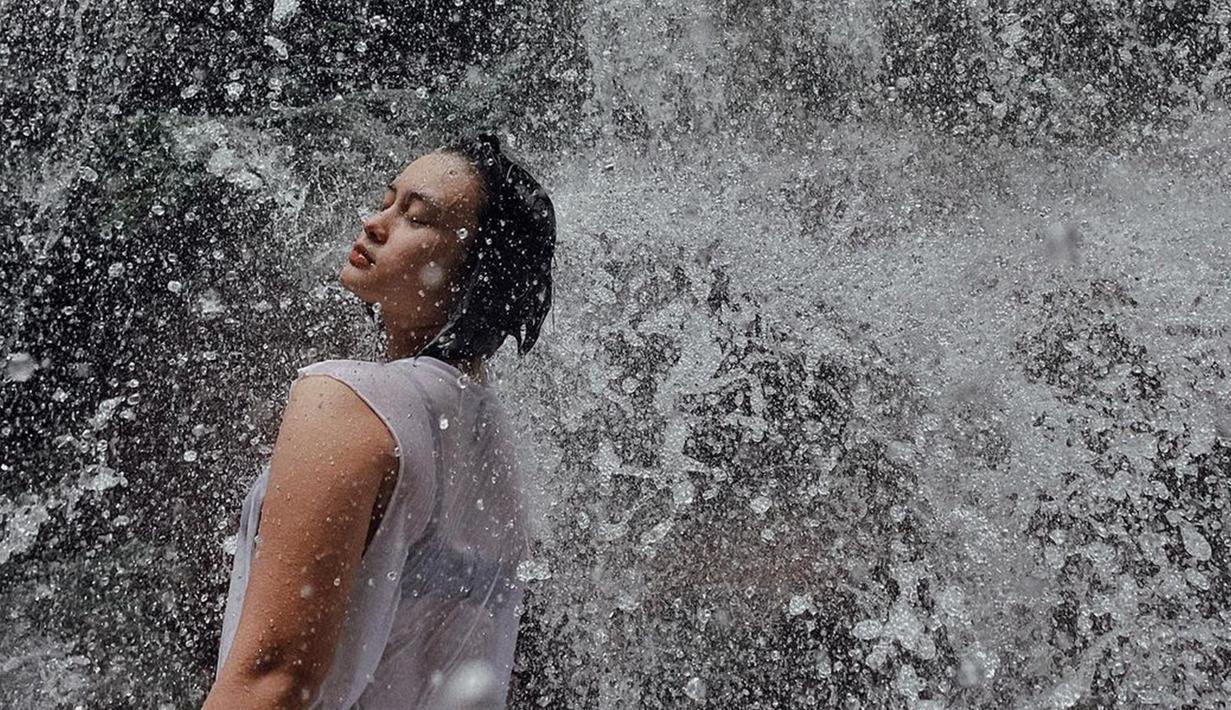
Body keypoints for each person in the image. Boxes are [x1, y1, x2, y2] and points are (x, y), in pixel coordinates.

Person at [203, 133, 556, 710]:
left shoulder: (348, 399)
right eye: (386, 200)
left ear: (474, 273)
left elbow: (274, 677)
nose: (374, 223)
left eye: (416, 217)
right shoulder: (498, 454)